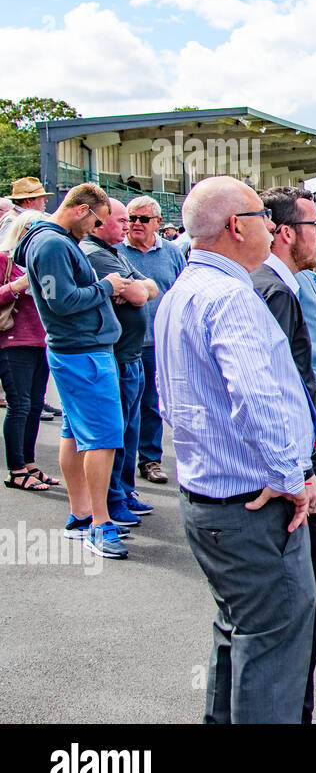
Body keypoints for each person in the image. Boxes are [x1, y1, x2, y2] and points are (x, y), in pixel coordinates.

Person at [153, 175, 316, 724]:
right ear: (235, 226)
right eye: (262, 217)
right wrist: (291, 475)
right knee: (271, 645)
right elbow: (257, 394)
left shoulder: (183, 294)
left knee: (238, 634)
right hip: (250, 506)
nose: (273, 228)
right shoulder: (228, 297)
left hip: (209, 499)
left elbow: (171, 399)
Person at [252, 186, 316, 723]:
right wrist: (302, 470)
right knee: (303, 600)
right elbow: (278, 390)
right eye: (311, 226)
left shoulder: (281, 283)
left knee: (302, 600)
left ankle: (295, 712)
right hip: (285, 475)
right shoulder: (273, 290)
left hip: (293, 462)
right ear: (285, 232)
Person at [15, 183, 131, 559]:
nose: (95, 229)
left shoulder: (52, 241)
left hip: (78, 350)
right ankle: (100, 523)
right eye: (97, 220)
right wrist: (106, 286)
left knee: (75, 433)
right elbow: (63, 302)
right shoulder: (52, 244)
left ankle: (82, 516)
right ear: (82, 210)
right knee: (102, 438)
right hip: (82, 351)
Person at [80, 199, 159, 530]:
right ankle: (113, 499)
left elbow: (150, 287)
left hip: (132, 355)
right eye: (123, 219)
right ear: (100, 221)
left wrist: (134, 288)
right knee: (115, 433)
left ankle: (124, 492)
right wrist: (136, 290)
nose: (129, 225)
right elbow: (141, 295)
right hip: (115, 356)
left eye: (135, 219)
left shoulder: (115, 253)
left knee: (130, 429)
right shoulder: (95, 253)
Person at [119, 195, 187, 487]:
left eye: (143, 219)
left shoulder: (171, 253)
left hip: (158, 342)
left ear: (157, 223)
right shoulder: (116, 251)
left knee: (151, 404)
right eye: (131, 218)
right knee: (124, 405)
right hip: (124, 342)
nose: (135, 224)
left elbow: (182, 292)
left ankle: (150, 459)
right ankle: (121, 462)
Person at [0, 209, 58, 491]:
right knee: (20, 405)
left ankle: (30, 464)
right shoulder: (5, 260)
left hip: (41, 342)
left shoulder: (43, 262)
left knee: (34, 406)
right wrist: (16, 286)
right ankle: (16, 469)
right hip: (14, 342)